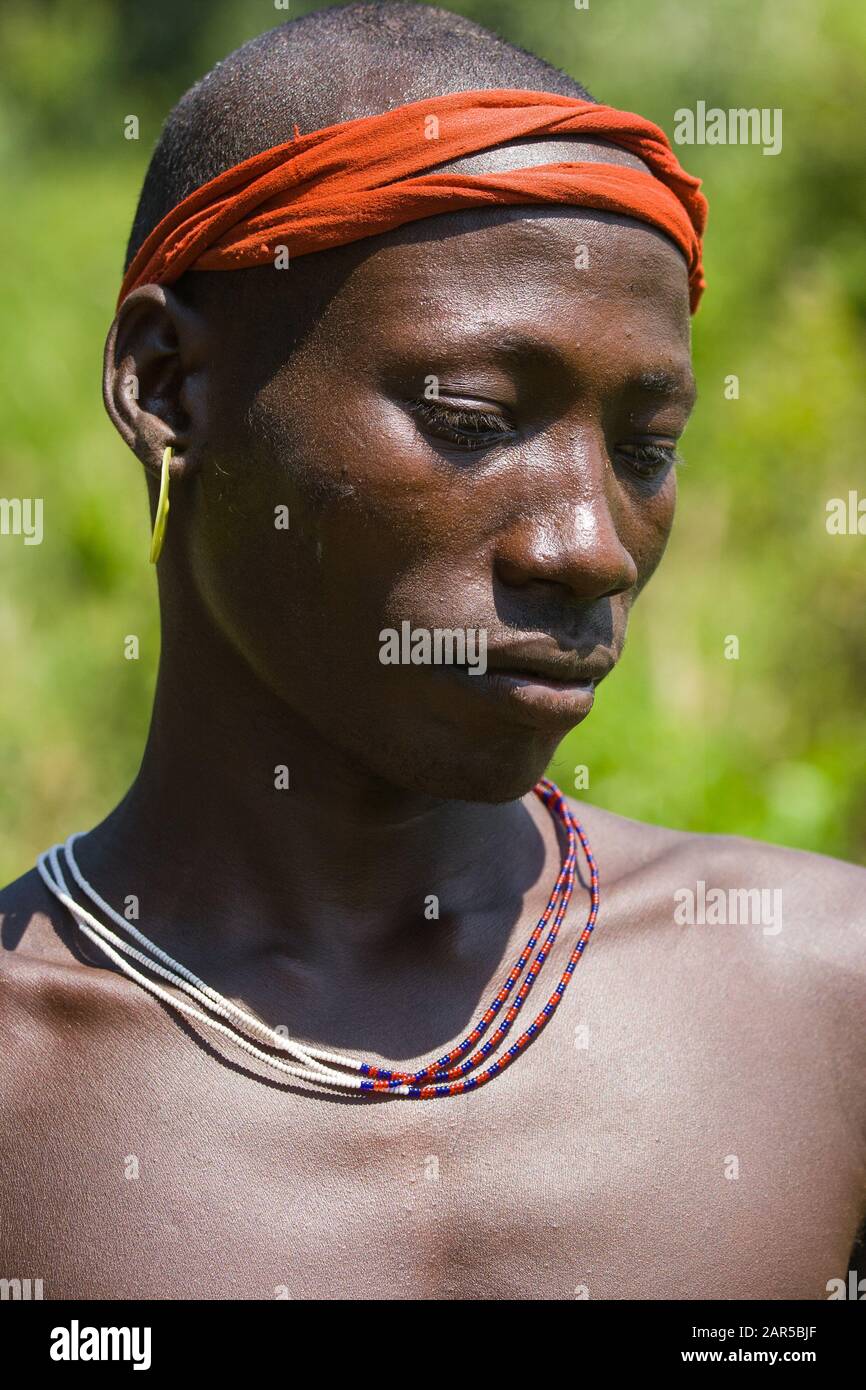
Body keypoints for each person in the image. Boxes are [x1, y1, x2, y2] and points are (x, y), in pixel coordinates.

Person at [1, 2, 864, 1301]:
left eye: (643, 449)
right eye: (471, 416)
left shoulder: (823, 996)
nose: (589, 546)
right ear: (168, 382)